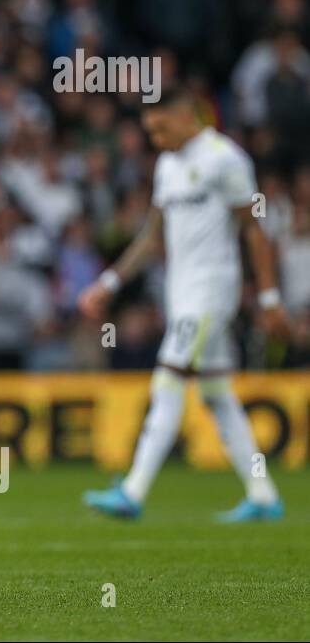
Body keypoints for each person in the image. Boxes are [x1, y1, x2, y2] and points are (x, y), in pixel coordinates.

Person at [78, 87, 291, 522]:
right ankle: (263, 494)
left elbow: (253, 229)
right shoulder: (168, 166)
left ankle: (133, 492)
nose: (155, 140)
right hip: (179, 293)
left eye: (159, 129)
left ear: (184, 116)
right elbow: (153, 237)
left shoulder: (225, 158)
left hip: (213, 288)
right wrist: (109, 282)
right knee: (216, 394)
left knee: (168, 377)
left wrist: (269, 299)